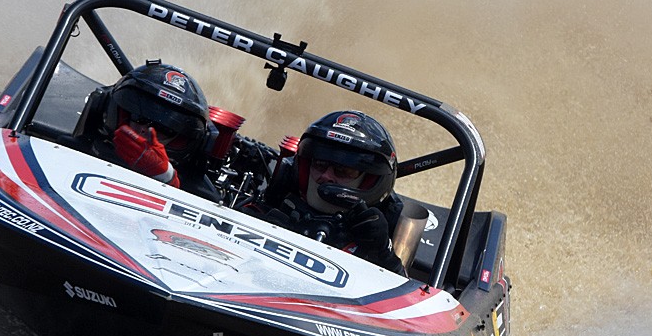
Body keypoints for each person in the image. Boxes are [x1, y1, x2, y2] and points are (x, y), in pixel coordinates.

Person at [249, 110, 406, 275]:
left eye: (342, 170)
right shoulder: (268, 212)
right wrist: (261, 226)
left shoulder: (374, 242)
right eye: (319, 164)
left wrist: (384, 257)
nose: (326, 176)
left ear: (369, 181)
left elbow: (412, 296)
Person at [79, 61, 221, 201]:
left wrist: (166, 178)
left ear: (181, 139)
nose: (146, 131)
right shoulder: (69, 149)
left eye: (164, 129)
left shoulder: (200, 196)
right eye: (139, 118)